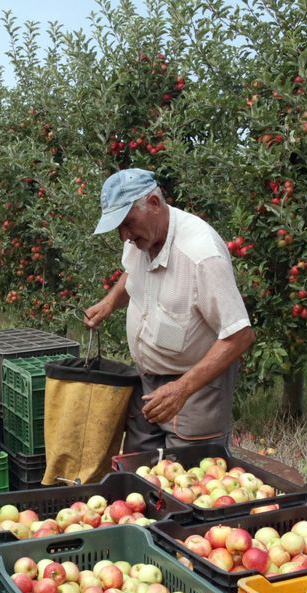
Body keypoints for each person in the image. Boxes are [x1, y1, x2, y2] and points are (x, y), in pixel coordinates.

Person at [82, 168, 256, 452]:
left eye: (128, 223)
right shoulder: (141, 238)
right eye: (118, 228)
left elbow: (239, 335)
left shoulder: (201, 255)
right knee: (140, 468)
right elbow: (132, 272)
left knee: (188, 471)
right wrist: (110, 301)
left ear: (153, 203)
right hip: (147, 379)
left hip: (195, 389)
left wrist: (182, 389)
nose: (124, 236)